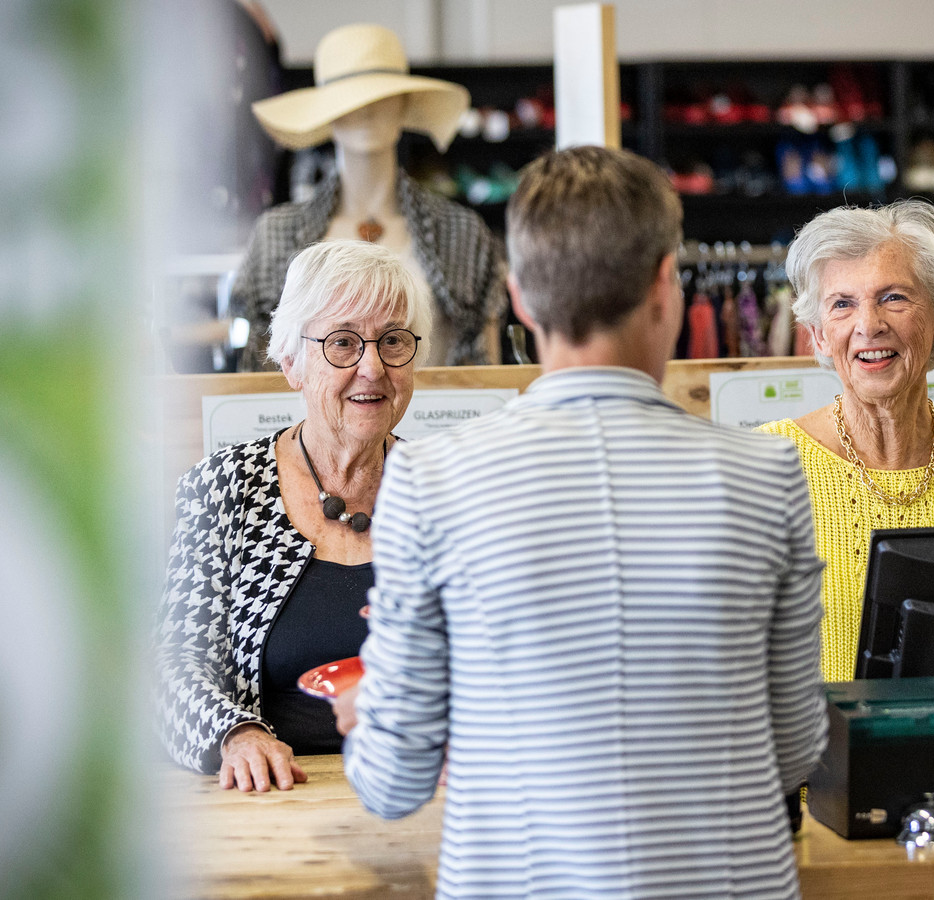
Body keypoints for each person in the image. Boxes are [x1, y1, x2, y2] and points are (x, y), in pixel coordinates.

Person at [341, 146, 829, 899]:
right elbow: (796, 750)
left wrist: (361, 719)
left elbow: (392, 782)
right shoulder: (766, 475)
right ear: (665, 283)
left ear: (519, 298)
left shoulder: (428, 479)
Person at [157, 239, 432, 791]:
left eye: (393, 341)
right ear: (291, 363)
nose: (372, 367)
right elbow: (171, 666)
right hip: (273, 792)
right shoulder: (224, 487)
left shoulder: (448, 491)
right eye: (342, 343)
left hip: (427, 789)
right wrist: (236, 734)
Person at [760, 201, 934, 682]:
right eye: (842, 304)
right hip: (820, 755)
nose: (868, 324)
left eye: (893, 297)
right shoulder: (768, 468)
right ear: (817, 335)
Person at [231, 22, 506, 371]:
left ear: (404, 105)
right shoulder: (276, 236)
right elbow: (258, 371)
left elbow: (489, 372)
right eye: (350, 100)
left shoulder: (462, 233)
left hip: (439, 423)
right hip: (315, 423)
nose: (367, 110)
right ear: (327, 114)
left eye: (381, 97)